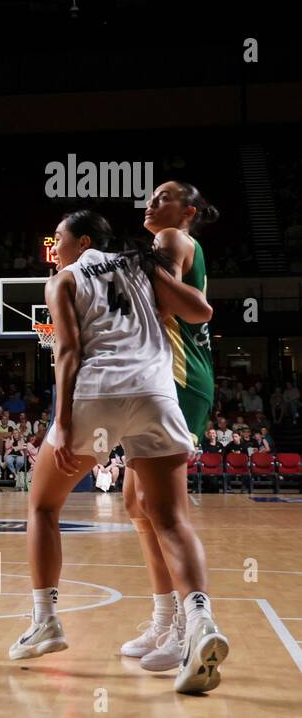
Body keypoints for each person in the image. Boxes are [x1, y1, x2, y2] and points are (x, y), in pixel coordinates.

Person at [8, 210, 227, 695]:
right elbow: (199, 311)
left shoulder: (63, 279)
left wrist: (63, 424)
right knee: (171, 519)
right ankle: (199, 622)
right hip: (155, 395)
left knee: (43, 505)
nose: (55, 246)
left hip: (99, 398)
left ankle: (45, 620)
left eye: (59, 238)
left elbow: (67, 353)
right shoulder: (141, 264)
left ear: (82, 241)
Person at [121, 181, 221, 672]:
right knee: (136, 503)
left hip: (178, 378)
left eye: (162, 197)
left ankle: (188, 627)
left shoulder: (171, 241)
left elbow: (184, 306)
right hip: (169, 376)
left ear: (189, 210)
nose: (150, 203)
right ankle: (164, 619)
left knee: (164, 511)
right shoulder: (171, 243)